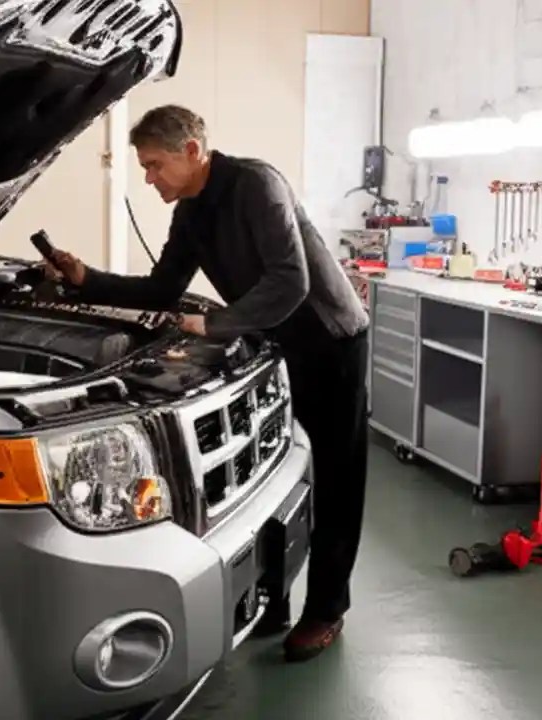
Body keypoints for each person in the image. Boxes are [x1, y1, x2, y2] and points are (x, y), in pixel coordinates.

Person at [44, 105, 370, 662]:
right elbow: (162, 287)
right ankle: (275, 597)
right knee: (275, 474)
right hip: (274, 342)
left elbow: (291, 282)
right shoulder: (191, 209)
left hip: (328, 340)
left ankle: (326, 610)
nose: (148, 178)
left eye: (154, 165)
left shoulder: (257, 185)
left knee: (337, 479)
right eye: (144, 168)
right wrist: (85, 280)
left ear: (192, 151)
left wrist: (215, 324)